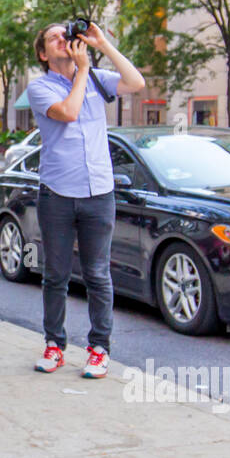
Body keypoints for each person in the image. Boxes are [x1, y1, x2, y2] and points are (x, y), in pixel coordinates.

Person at [26, 23, 145, 378]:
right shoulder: (40, 86)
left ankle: (99, 348)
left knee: (97, 274)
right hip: (58, 194)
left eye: (67, 34)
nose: (63, 39)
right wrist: (83, 72)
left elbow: (136, 82)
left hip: (99, 193)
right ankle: (54, 345)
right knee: (56, 275)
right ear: (44, 54)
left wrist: (103, 44)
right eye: (54, 38)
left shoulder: (95, 78)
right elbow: (68, 112)